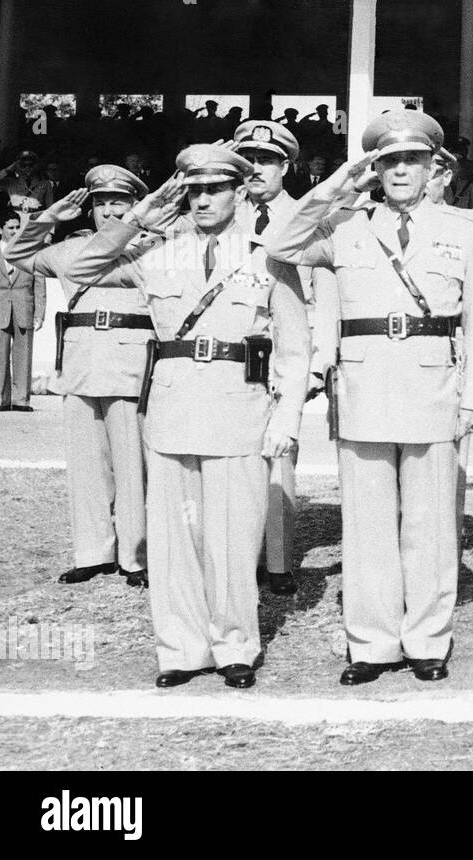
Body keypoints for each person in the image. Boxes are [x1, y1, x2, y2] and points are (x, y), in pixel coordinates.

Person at [67, 144, 311, 690]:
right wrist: (140, 215)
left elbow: (296, 349)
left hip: (238, 408)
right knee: (173, 539)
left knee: (231, 535)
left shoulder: (267, 255)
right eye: (192, 190)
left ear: (238, 191)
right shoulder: (155, 254)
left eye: (214, 189)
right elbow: (80, 263)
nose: (202, 200)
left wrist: (287, 418)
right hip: (172, 408)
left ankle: (235, 646)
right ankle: (180, 647)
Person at [268, 110, 473, 687]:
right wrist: (341, 182)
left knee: (430, 522)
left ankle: (427, 639)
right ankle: (370, 644)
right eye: (387, 160)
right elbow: (281, 242)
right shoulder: (343, 225)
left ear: (434, 167)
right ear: (375, 168)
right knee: (366, 525)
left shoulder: (466, 228)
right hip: (364, 387)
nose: (399, 171)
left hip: (433, 385)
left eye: (412, 160)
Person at [3, 166, 152, 588]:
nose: (108, 211)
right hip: (82, 362)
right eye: (101, 203)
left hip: (129, 363)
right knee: (86, 466)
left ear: (134, 206)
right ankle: (93, 552)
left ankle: (135, 555)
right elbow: (15, 255)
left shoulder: (149, 248)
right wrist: (48, 217)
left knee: (131, 465)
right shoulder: (73, 248)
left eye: (117, 203)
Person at [233, 118, 322, 597]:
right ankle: (242, 553)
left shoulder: (305, 215)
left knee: (280, 453)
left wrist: (319, 361)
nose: (256, 169)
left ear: (286, 166)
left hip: (286, 347)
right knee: (236, 455)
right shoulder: (227, 213)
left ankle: (280, 560)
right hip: (238, 348)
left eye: (266, 160)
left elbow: (322, 291)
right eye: (247, 160)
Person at [0, 210, 44, 411]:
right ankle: (2, 400)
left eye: (17, 227)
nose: (15, 231)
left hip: (24, 309)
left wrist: (40, 313)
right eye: (10, 228)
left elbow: (40, 284)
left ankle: (21, 400)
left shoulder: (30, 252)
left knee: (24, 355)